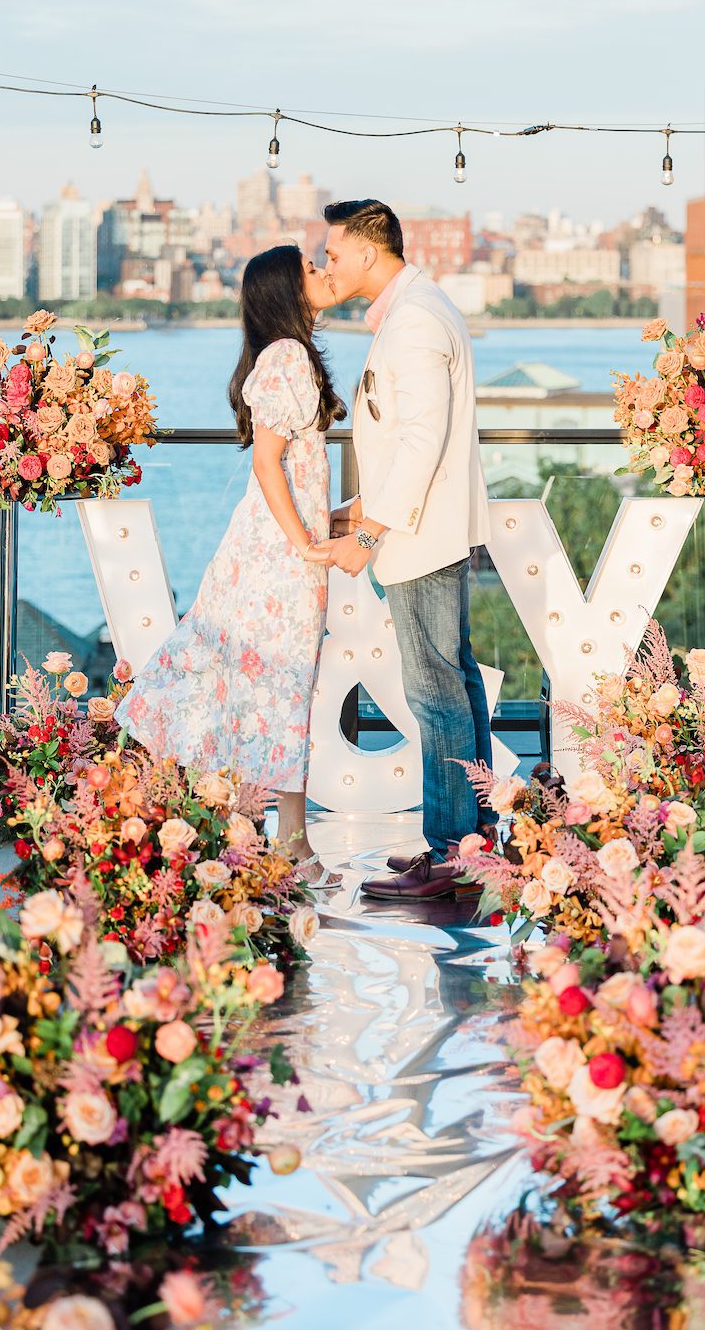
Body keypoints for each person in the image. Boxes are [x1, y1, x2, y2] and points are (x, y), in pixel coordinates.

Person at [115, 244, 345, 889]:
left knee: (255, 680)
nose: (324, 274)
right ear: (286, 292)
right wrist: (304, 542)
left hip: (269, 548)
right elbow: (268, 464)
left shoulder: (282, 356)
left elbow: (290, 469)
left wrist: (324, 523)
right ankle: (290, 842)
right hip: (276, 556)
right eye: (311, 270)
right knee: (280, 683)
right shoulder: (287, 358)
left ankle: (255, 827)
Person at [319, 199, 497, 901]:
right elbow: (406, 438)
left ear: (368, 251)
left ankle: (452, 854)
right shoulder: (412, 310)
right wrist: (358, 510)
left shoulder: (416, 319)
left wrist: (368, 532)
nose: (328, 265)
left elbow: (423, 440)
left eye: (333, 253)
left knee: (434, 692)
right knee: (456, 680)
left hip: (420, 535)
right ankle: (477, 840)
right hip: (422, 526)